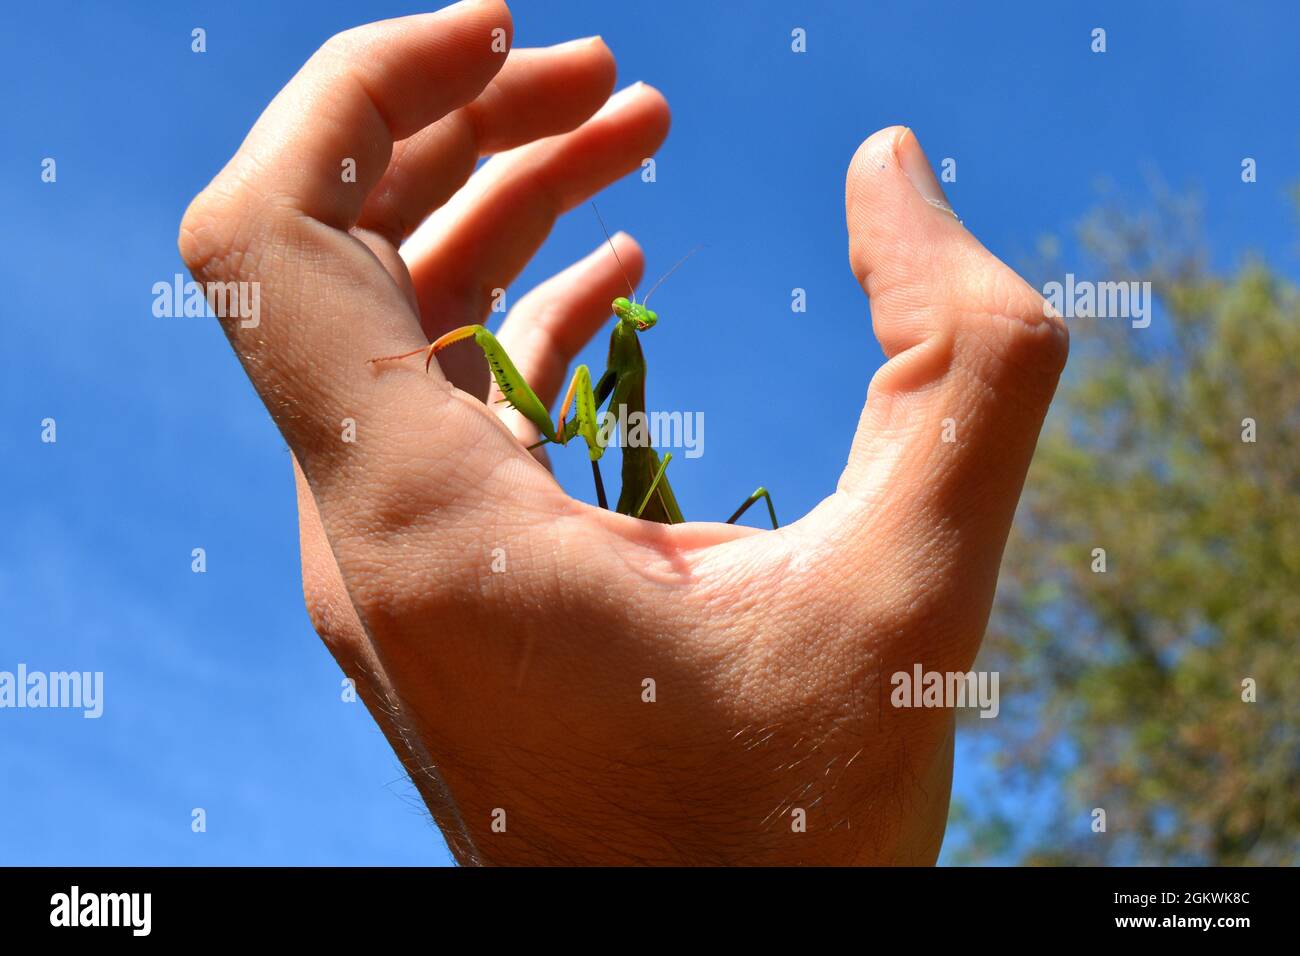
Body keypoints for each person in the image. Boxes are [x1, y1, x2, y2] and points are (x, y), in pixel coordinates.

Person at [178, 0, 1068, 865]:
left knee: (732, 493)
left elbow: (580, 444)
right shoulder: (612, 376)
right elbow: (574, 438)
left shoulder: (625, 380)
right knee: (549, 411)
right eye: (628, 318)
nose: (629, 322)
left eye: (635, 322)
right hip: (633, 505)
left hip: (660, 516)